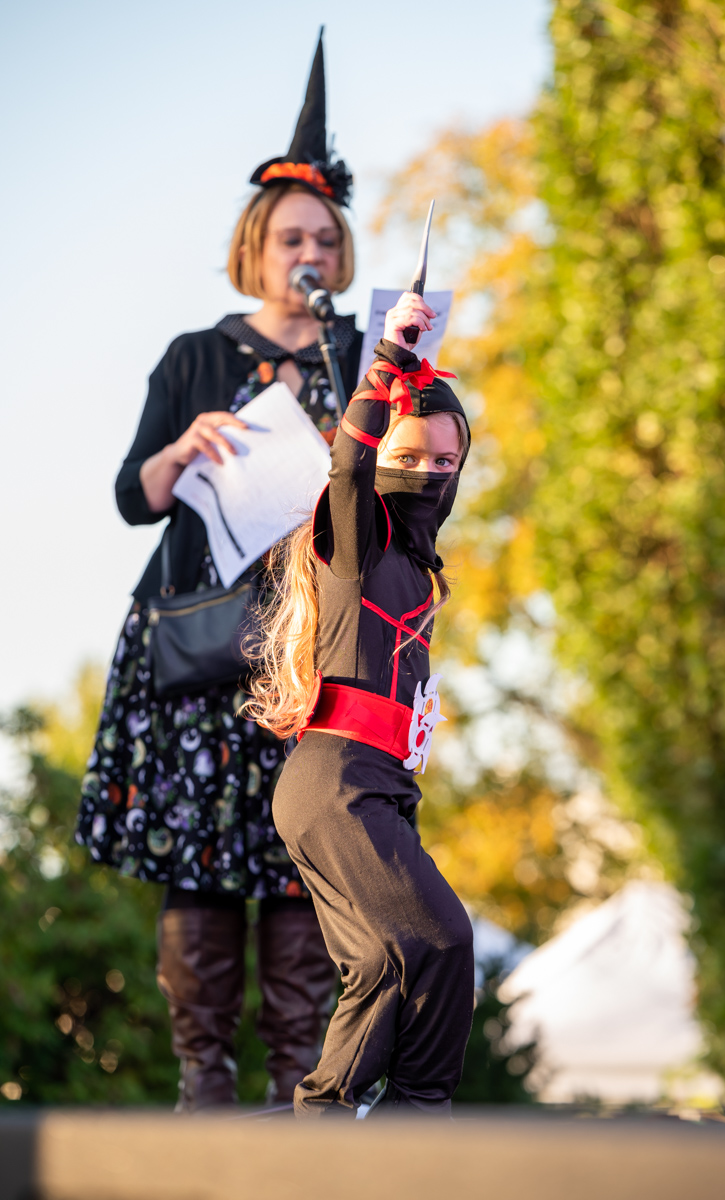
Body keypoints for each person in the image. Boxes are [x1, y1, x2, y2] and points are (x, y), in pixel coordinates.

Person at [75, 32, 362, 1111]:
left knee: (299, 859)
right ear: (257, 243)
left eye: (325, 240)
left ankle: (298, 1088)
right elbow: (127, 498)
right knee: (199, 863)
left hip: (310, 647)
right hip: (200, 641)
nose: (310, 252)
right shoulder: (196, 352)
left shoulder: (356, 362)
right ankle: (205, 1085)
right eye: (292, 235)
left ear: (339, 255)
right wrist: (181, 450)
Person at [247, 291, 475, 1117]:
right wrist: (388, 362)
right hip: (335, 779)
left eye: (447, 464)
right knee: (443, 942)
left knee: (384, 967)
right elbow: (347, 466)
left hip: (364, 787)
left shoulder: (415, 573)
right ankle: (418, 1119)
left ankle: (324, 1121)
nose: (430, 477)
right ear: (384, 465)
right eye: (411, 460)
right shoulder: (358, 543)